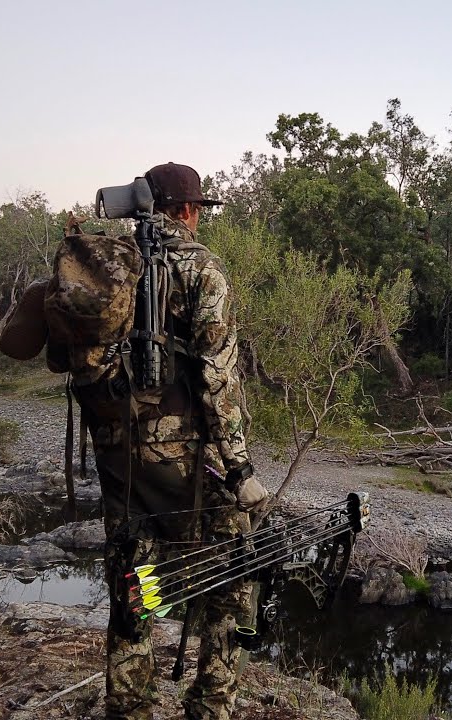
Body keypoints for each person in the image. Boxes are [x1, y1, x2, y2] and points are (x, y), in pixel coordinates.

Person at [85, 162, 270, 720]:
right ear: (187, 211)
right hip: (188, 463)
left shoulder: (110, 267)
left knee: (134, 579)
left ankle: (131, 707)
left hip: (120, 457)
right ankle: (211, 704)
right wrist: (239, 470)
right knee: (232, 574)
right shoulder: (202, 269)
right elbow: (219, 377)